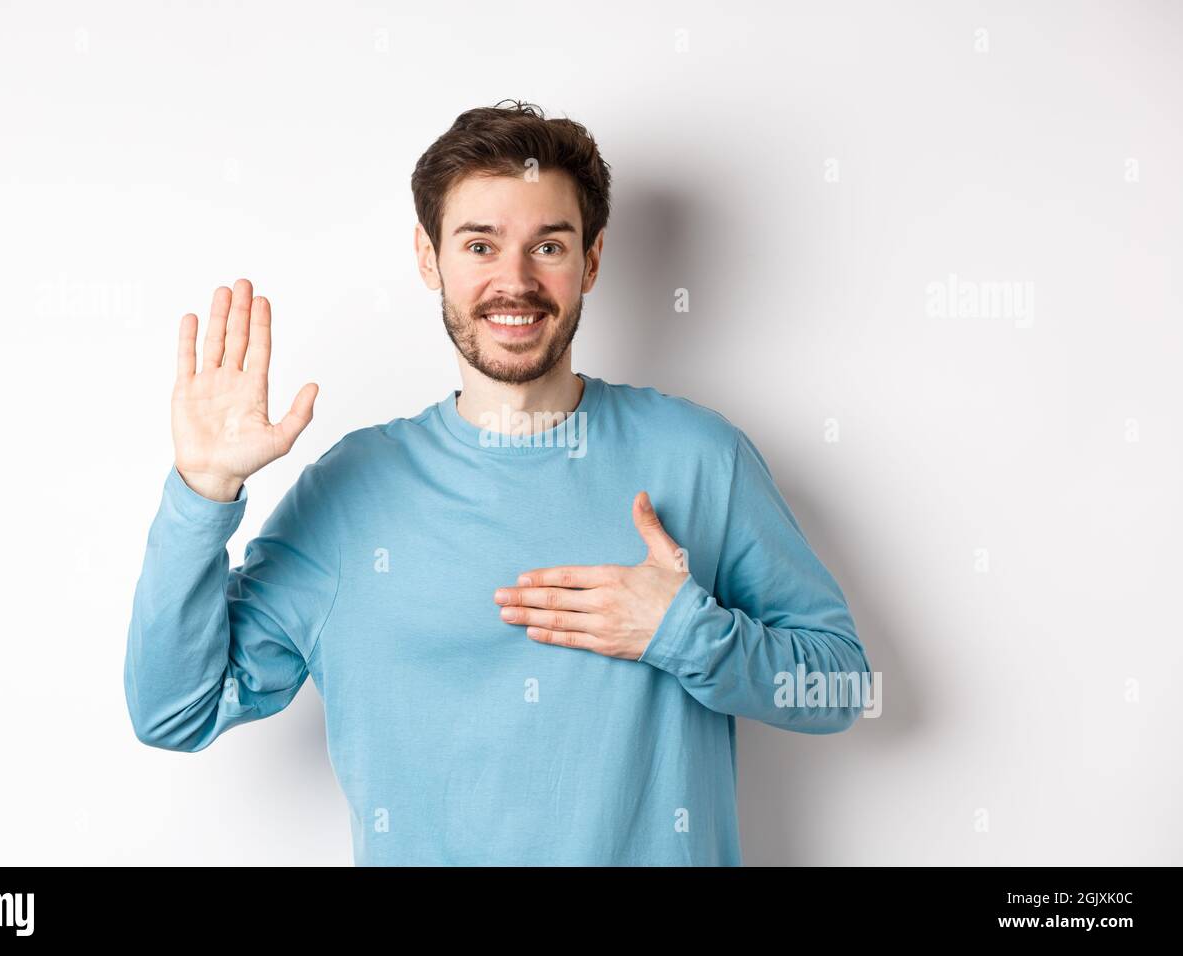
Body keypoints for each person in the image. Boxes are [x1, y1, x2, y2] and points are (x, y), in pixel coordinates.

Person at [124, 99, 873, 866]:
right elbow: (172, 714)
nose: (514, 282)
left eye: (547, 246)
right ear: (429, 258)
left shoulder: (700, 458)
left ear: (591, 260)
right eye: (480, 244)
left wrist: (687, 634)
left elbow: (845, 690)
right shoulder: (350, 494)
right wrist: (202, 492)